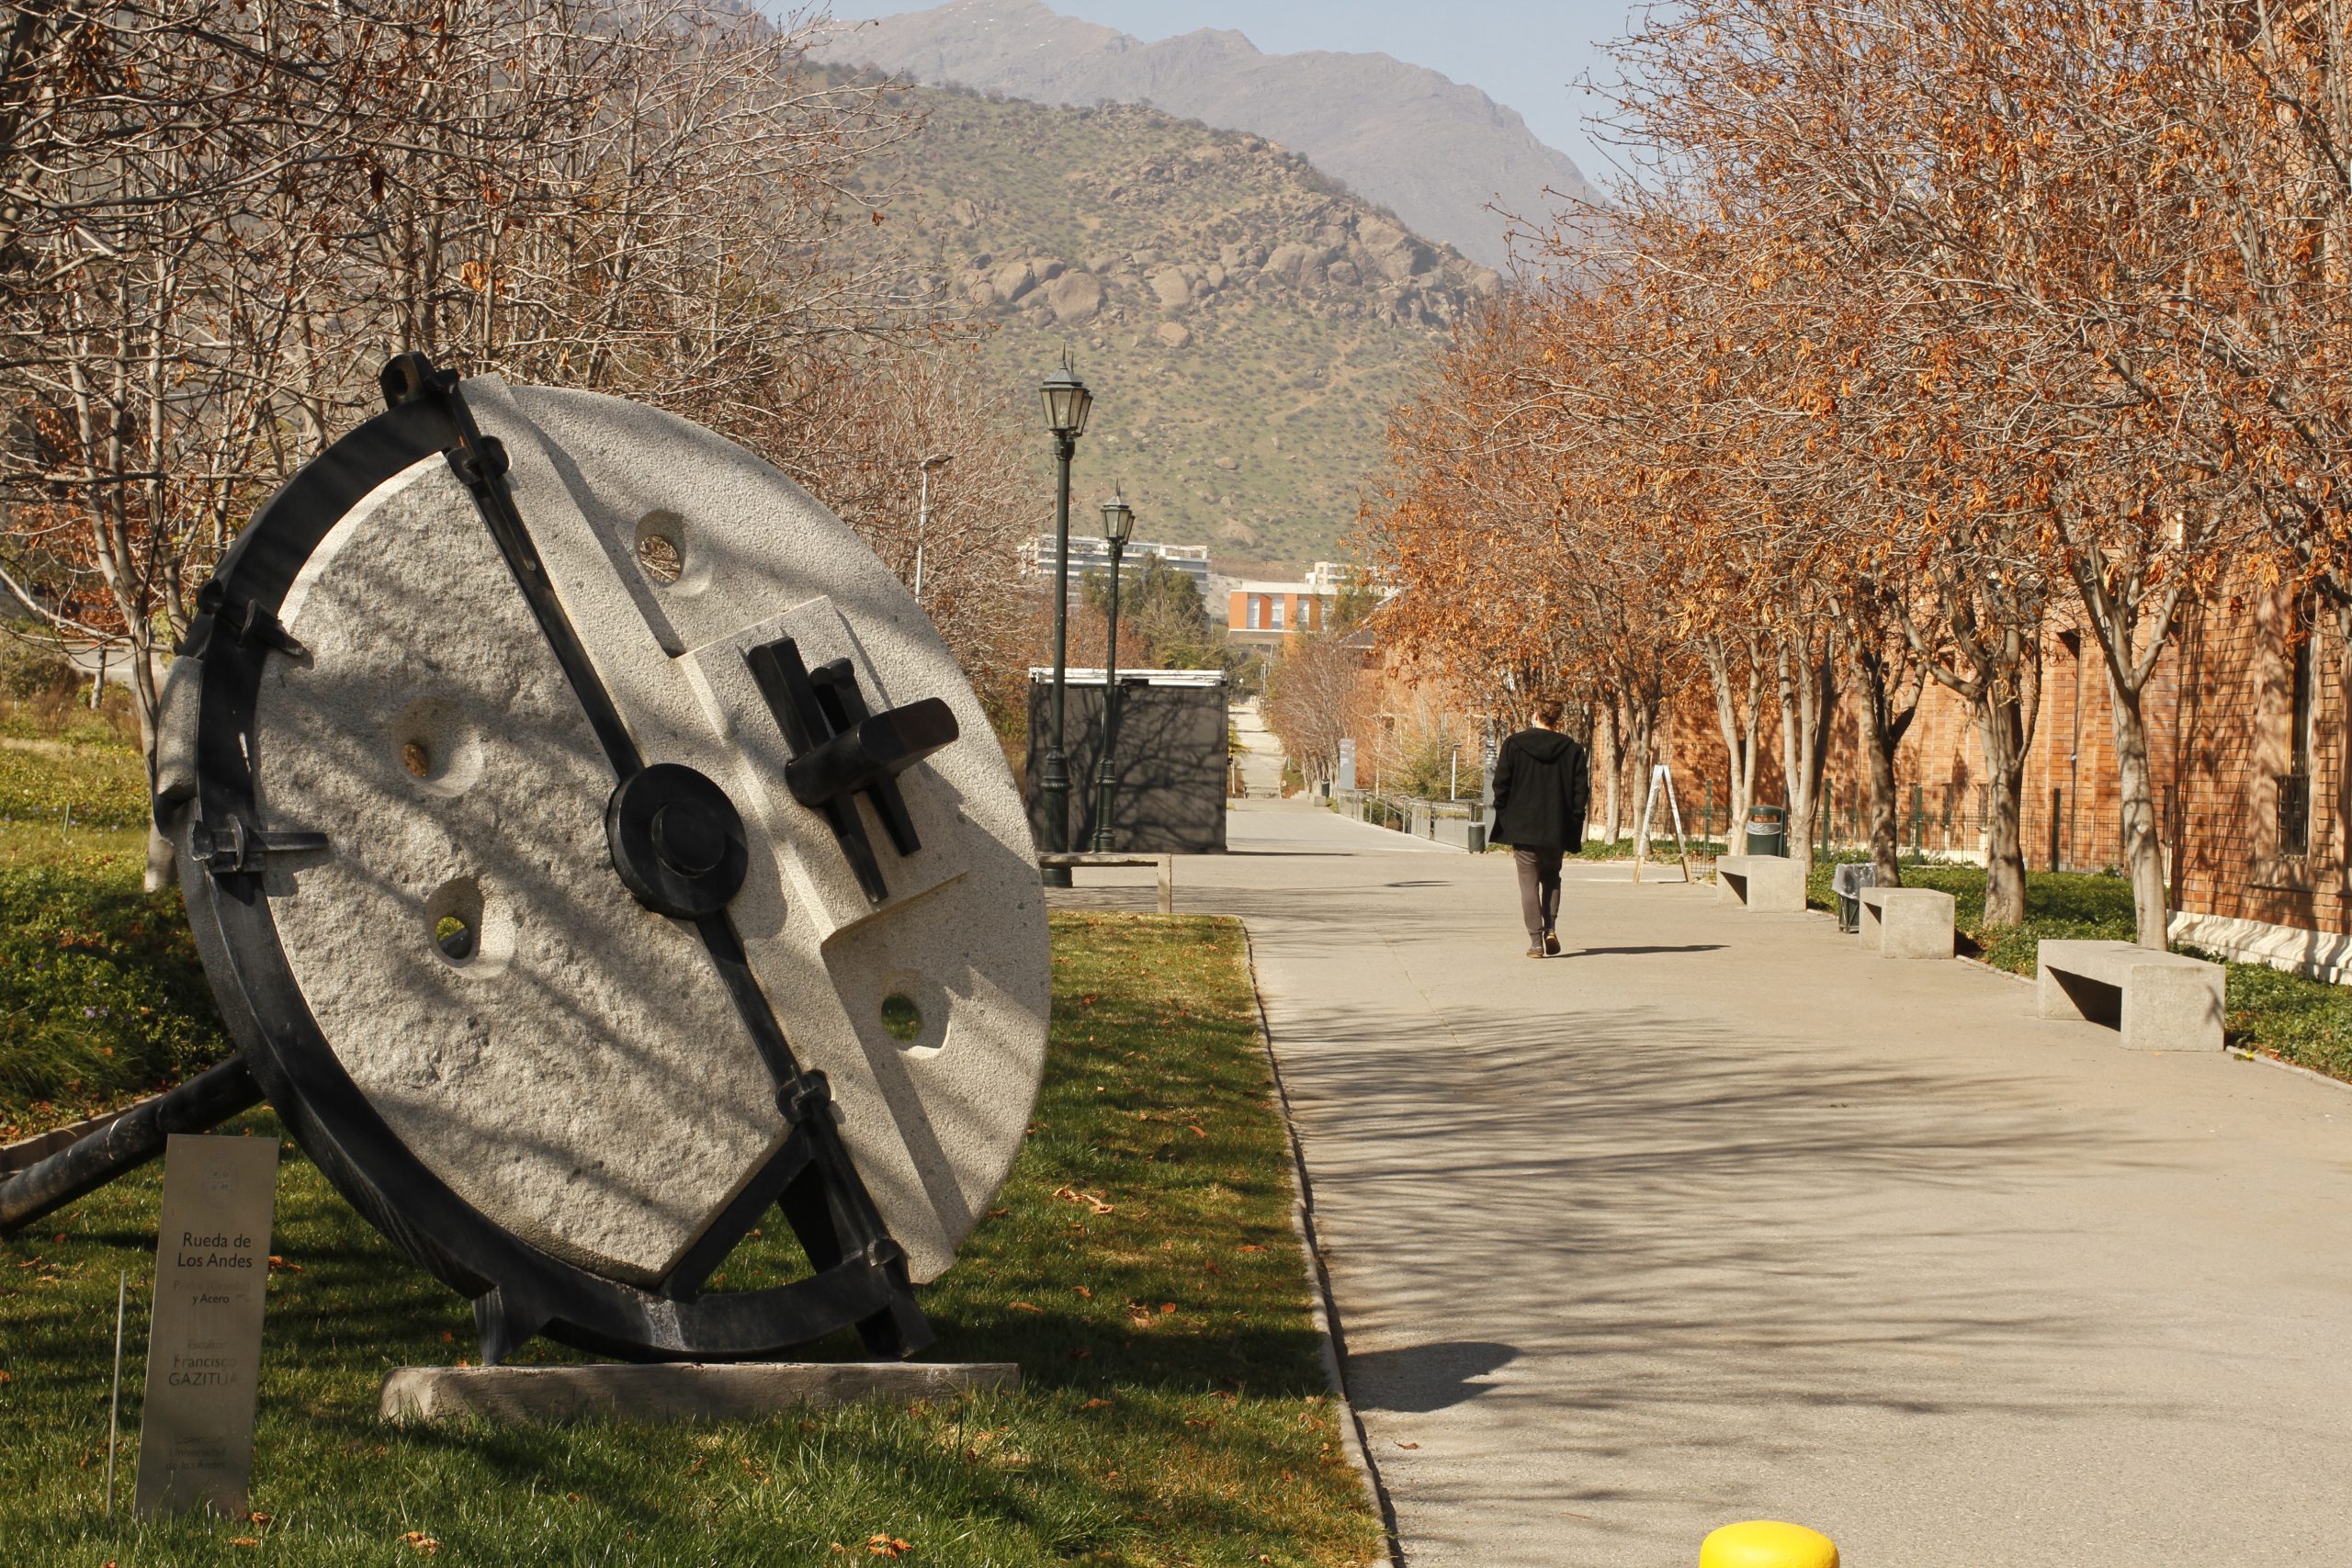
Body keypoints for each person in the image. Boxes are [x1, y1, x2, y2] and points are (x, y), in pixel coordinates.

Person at [1486, 700, 1591, 958]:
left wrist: (1505, 811)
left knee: (1528, 884)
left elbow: (1501, 784)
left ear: (1535, 714)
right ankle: (1551, 928)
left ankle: (1536, 942)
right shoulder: (1573, 750)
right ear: (1558, 718)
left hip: (1523, 826)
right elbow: (1581, 793)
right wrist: (1574, 819)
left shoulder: (1514, 744)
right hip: (1556, 826)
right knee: (1552, 877)